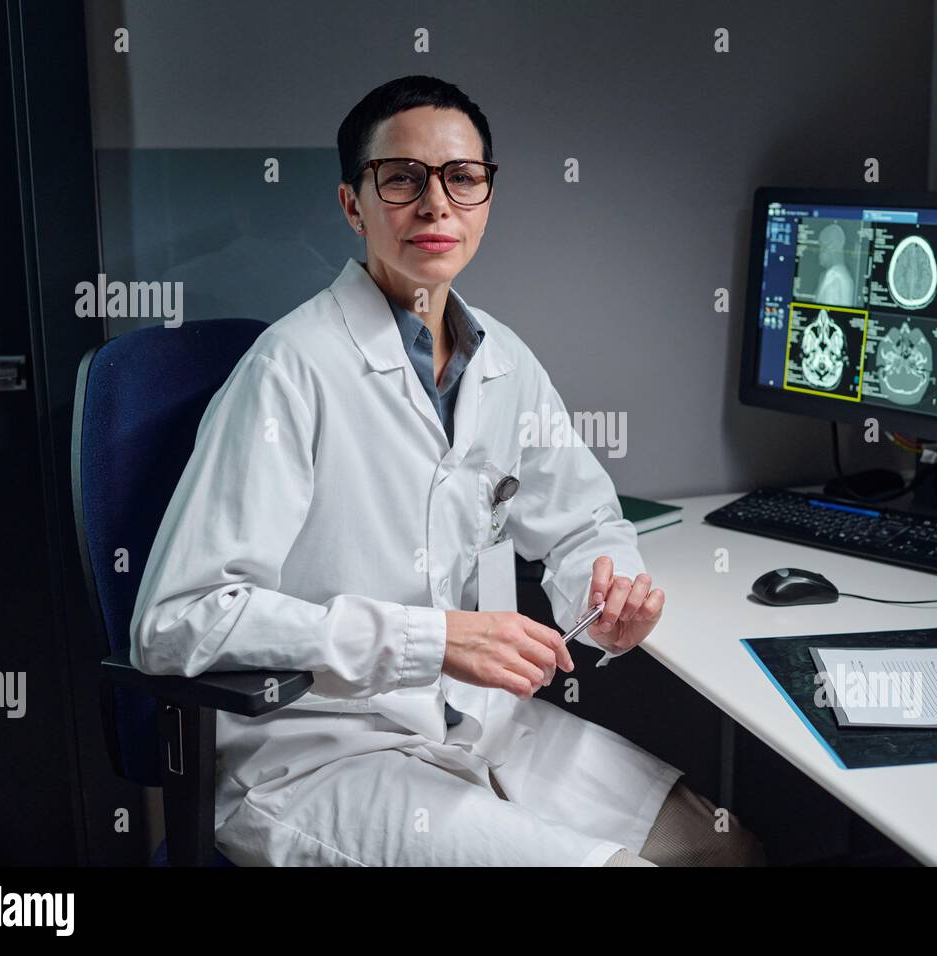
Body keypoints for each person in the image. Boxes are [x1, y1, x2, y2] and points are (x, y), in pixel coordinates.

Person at [130, 74, 764, 867]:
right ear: (353, 205)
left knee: (724, 851)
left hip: (479, 722)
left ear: (486, 198)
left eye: (462, 178)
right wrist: (431, 640)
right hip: (322, 754)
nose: (436, 205)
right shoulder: (290, 370)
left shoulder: (500, 359)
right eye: (402, 179)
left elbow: (587, 523)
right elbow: (178, 622)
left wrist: (601, 600)